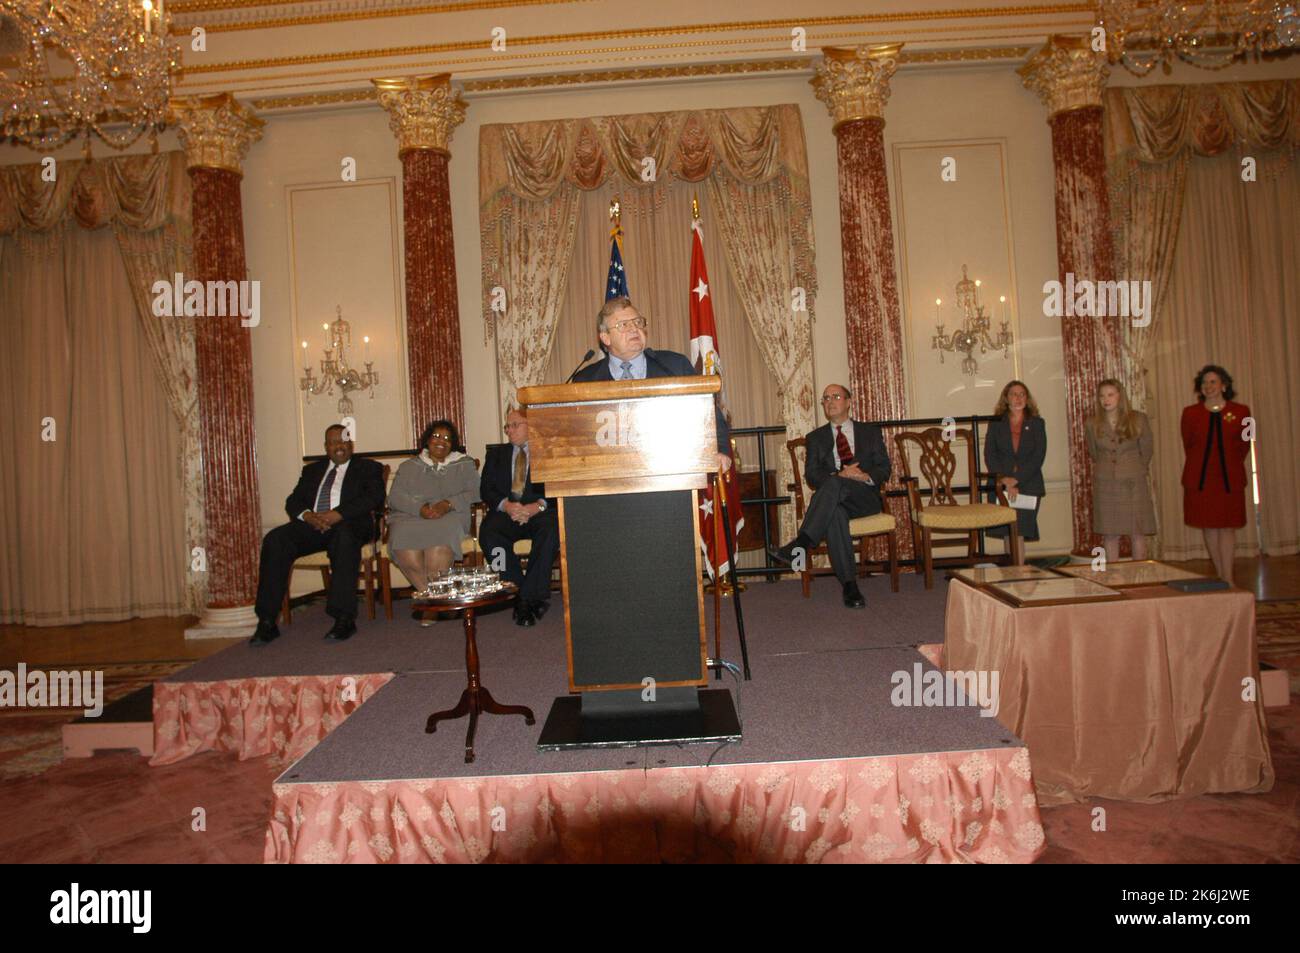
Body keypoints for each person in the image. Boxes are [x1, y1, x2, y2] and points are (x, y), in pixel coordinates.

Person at [252, 424, 386, 645]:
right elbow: (293, 501)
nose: (339, 446)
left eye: (343, 441)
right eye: (333, 442)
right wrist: (307, 516)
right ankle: (266, 621)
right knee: (275, 540)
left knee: (343, 538)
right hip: (314, 526)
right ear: (326, 447)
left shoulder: (368, 468)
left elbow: (373, 498)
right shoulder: (312, 470)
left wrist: (337, 514)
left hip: (350, 524)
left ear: (351, 444)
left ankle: (344, 618)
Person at [767, 383, 890, 609]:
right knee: (835, 513)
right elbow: (813, 476)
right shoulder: (816, 437)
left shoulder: (870, 432)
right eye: (825, 398)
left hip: (864, 497)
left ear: (849, 402)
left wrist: (864, 476)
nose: (830, 402)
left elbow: (885, 468)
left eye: (835, 396)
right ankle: (850, 587)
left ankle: (802, 542)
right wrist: (840, 474)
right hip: (836, 499)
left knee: (833, 487)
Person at [572, 296, 731, 469]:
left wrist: (720, 449)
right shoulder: (585, 380)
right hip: (606, 477)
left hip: (672, 470)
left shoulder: (675, 366)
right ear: (606, 338)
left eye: (638, 322)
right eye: (624, 325)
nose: (634, 328)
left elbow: (709, 413)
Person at [479, 409, 559, 627]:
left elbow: (557, 486)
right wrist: (507, 505)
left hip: (539, 511)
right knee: (488, 534)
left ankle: (529, 597)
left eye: (515, 425)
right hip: (507, 511)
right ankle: (516, 587)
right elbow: (486, 489)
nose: (509, 430)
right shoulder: (496, 454)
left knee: (552, 530)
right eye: (508, 426)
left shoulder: (547, 451)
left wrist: (538, 506)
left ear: (530, 426)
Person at [387, 420, 479, 602]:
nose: (441, 441)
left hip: (449, 516)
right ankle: (435, 601)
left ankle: (432, 604)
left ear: (452, 444)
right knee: (403, 543)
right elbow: (395, 497)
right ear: (427, 440)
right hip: (411, 517)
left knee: (439, 542)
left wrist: (448, 503)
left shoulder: (464, 463)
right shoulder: (408, 466)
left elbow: (476, 491)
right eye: (436, 436)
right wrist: (419, 508)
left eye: (447, 438)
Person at [1181, 364, 1251, 585]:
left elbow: (1245, 444)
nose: (1208, 386)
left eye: (1213, 381)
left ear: (1224, 385)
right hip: (1200, 479)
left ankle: (1228, 577)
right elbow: (1188, 444)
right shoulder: (1190, 413)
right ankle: (1220, 575)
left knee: (1227, 527)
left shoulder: (1243, 412)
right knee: (1209, 526)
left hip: (1229, 479)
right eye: (1204, 382)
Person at [1087, 378, 1155, 563]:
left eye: (1110, 395)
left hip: (1133, 482)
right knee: (1110, 533)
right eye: (1101, 396)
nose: (1105, 399)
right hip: (1106, 483)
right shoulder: (1092, 423)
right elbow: (1094, 452)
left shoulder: (1138, 419)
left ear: (1120, 396)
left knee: (1137, 532)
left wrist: (1135, 468)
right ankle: (1114, 579)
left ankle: (1140, 579)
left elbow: (1147, 449)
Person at [984, 379, 1046, 552]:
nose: (1018, 398)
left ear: (1027, 398)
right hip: (1000, 484)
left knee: (1020, 531)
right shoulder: (996, 423)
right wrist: (1005, 480)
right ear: (1006, 398)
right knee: (1006, 531)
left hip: (1028, 483)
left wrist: (1016, 480)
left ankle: (1019, 572)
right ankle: (1010, 573)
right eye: (1013, 394)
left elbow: (1038, 456)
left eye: (1022, 394)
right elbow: (990, 455)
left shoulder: (1037, 423)